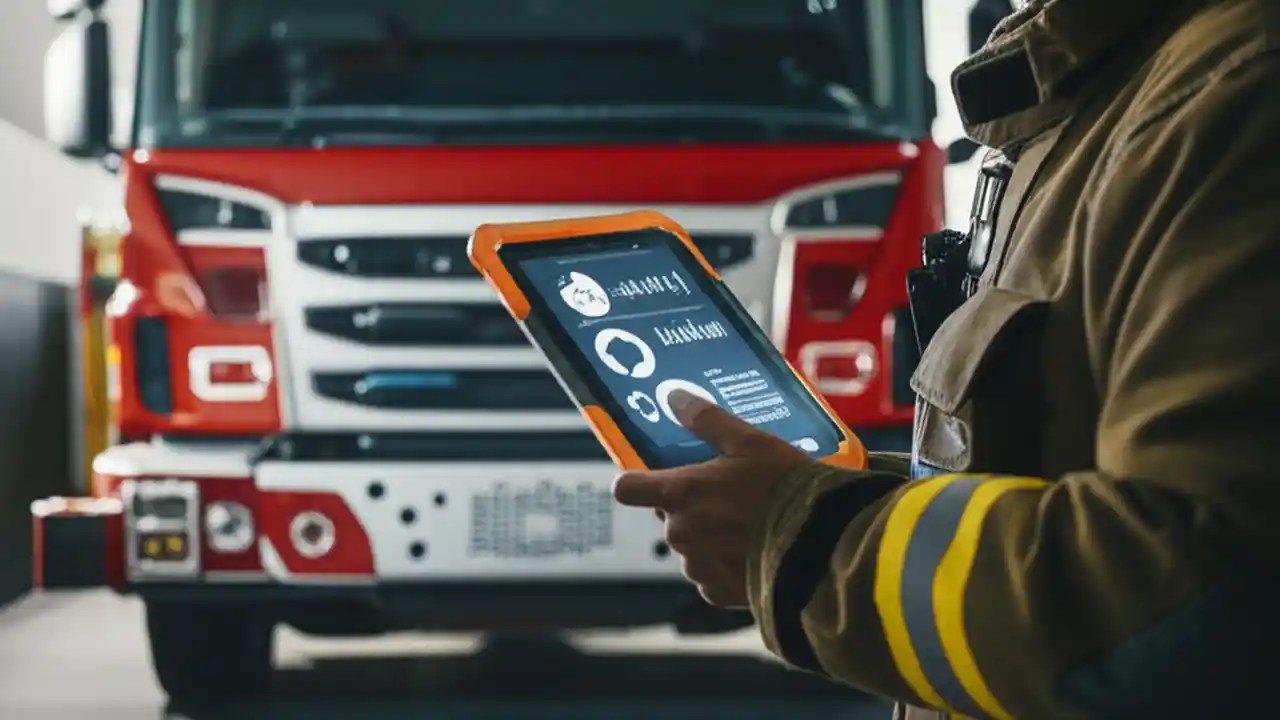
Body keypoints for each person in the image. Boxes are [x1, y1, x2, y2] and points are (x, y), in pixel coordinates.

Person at [613, 0, 1279, 717]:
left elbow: (1191, 605)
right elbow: (1059, 464)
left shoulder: (1230, 91)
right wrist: (840, 493)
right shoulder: (1117, 91)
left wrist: (805, 536)